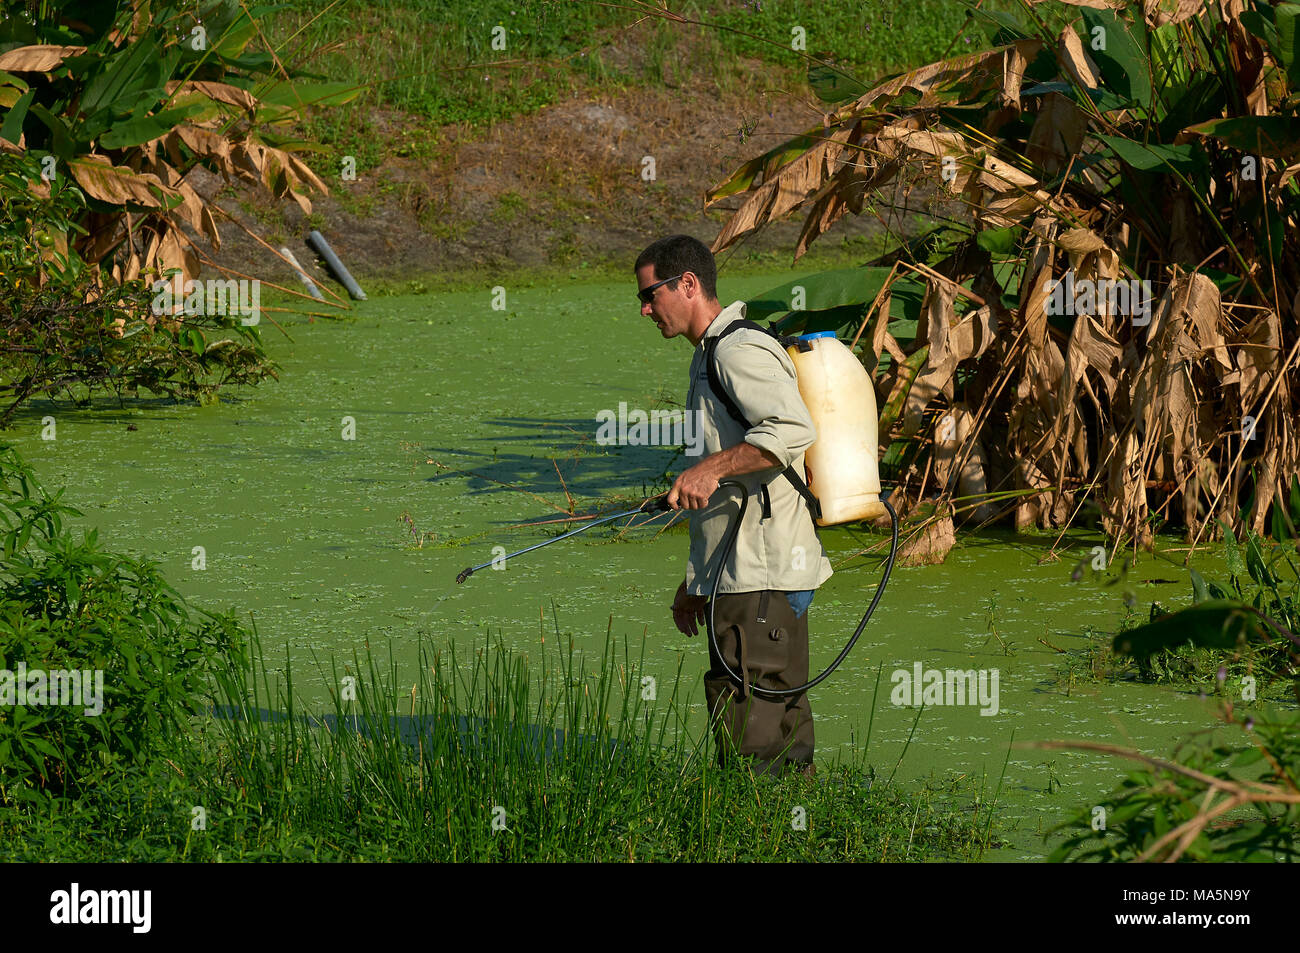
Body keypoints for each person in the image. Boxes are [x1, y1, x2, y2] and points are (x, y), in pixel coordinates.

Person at [634, 234, 832, 778]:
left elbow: (792, 428)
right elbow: (736, 487)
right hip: (750, 572)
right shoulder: (711, 354)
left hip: (760, 576)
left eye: (650, 295)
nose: (646, 309)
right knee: (781, 715)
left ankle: (753, 837)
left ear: (689, 284)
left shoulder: (736, 349)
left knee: (751, 721)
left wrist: (709, 467)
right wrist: (699, 582)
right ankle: (793, 831)